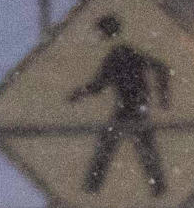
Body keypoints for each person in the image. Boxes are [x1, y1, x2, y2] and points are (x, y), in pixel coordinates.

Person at [69, 11, 175, 198]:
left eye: (102, 32)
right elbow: (99, 85)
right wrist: (80, 93)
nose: (100, 37)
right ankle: (157, 188)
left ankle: (93, 188)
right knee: (128, 146)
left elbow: (161, 68)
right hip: (131, 109)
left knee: (118, 146)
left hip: (132, 109)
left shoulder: (123, 54)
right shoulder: (118, 55)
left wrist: (164, 97)